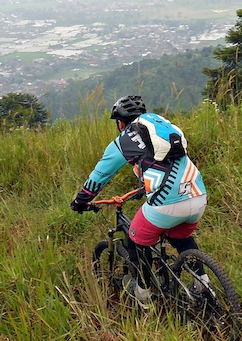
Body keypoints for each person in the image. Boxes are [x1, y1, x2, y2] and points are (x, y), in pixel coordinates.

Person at [70, 95, 210, 307]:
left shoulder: (125, 139)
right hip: (197, 194)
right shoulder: (160, 127)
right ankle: (203, 284)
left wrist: (80, 201)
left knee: (137, 239)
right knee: (180, 237)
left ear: (120, 122)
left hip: (167, 203)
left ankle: (143, 294)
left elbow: (99, 176)